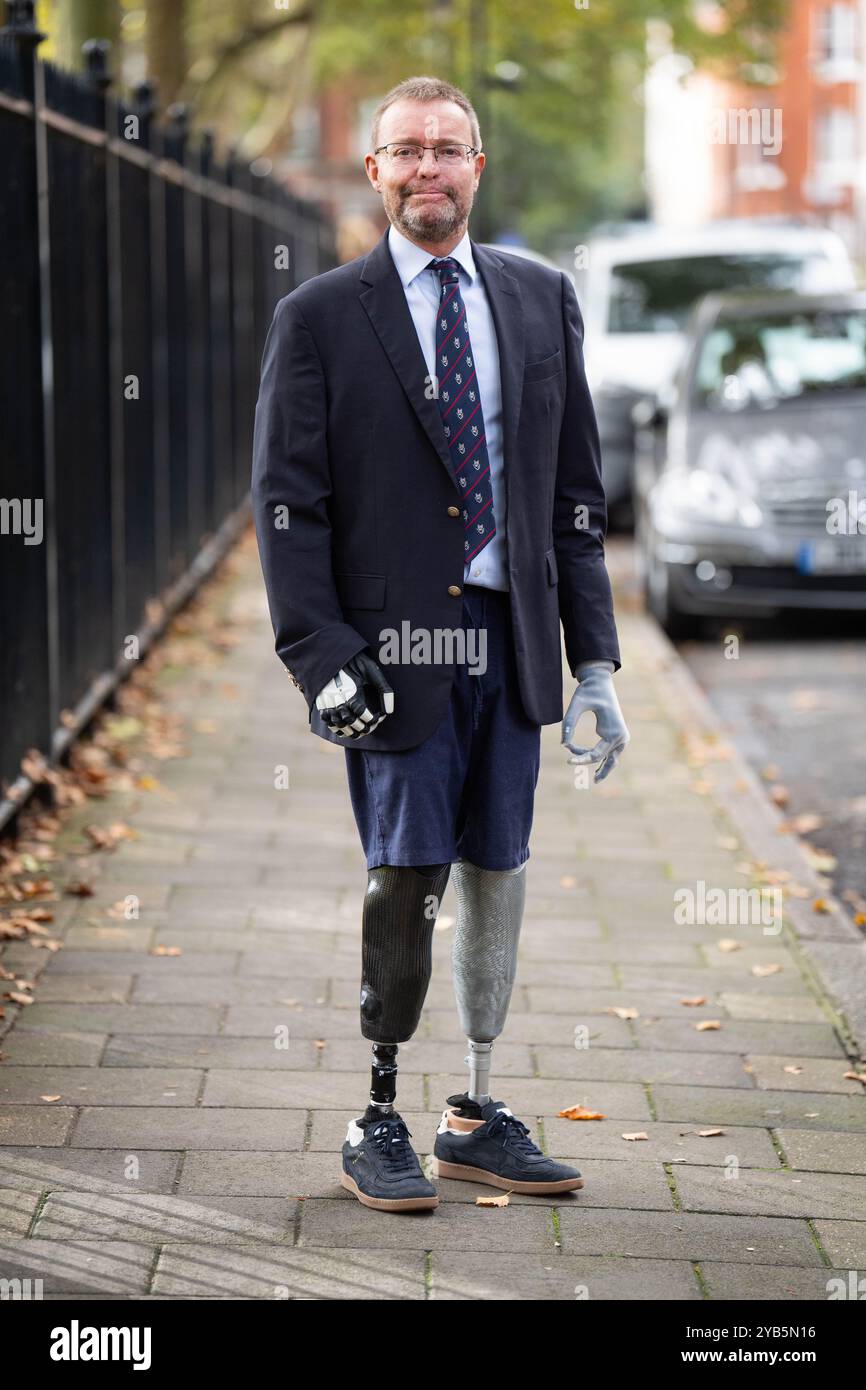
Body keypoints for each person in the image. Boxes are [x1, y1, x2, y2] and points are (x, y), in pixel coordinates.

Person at [251, 75, 629, 1213]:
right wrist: (320, 658)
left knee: (496, 879)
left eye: (448, 149)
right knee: (405, 882)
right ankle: (377, 1115)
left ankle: (472, 1113)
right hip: (391, 657)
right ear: (374, 171)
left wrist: (595, 662)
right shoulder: (318, 316)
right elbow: (286, 502)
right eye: (406, 150)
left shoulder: (538, 297)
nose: (429, 168)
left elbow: (572, 495)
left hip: (509, 645)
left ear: (478, 165)